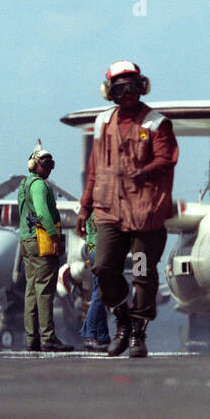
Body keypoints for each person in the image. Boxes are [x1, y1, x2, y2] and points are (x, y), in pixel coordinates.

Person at [77, 61, 178, 359]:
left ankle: (138, 333)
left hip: (147, 212)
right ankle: (121, 320)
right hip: (109, 210)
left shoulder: (157, 123)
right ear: (109, 92)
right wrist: (85, 208)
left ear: (142, 86)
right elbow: (94, 169)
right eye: (120, 88)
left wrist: (143, 173)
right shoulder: (101, 122)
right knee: (103, 267)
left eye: (133, 86)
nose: (127, 94)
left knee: (143, 273)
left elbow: (167, 158)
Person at [19, 143, 71, 352]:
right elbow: (42, 213)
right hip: (41, 241)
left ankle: (32, 338)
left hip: (26, 240)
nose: (49, 168)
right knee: (45, 290)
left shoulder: (24, 185)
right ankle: (48, 337)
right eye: (45, 163)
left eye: (51, 163)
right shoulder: (39, 186)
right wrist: (55, 239)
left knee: (31, 290)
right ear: (35, 164)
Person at [78, 216, 111, 352]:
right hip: (101, 251)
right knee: (100, 293)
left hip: (92, 249)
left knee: (100, 292)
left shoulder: (90, 208)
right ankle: (90, 335)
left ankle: (102, 336)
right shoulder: (101, 208)